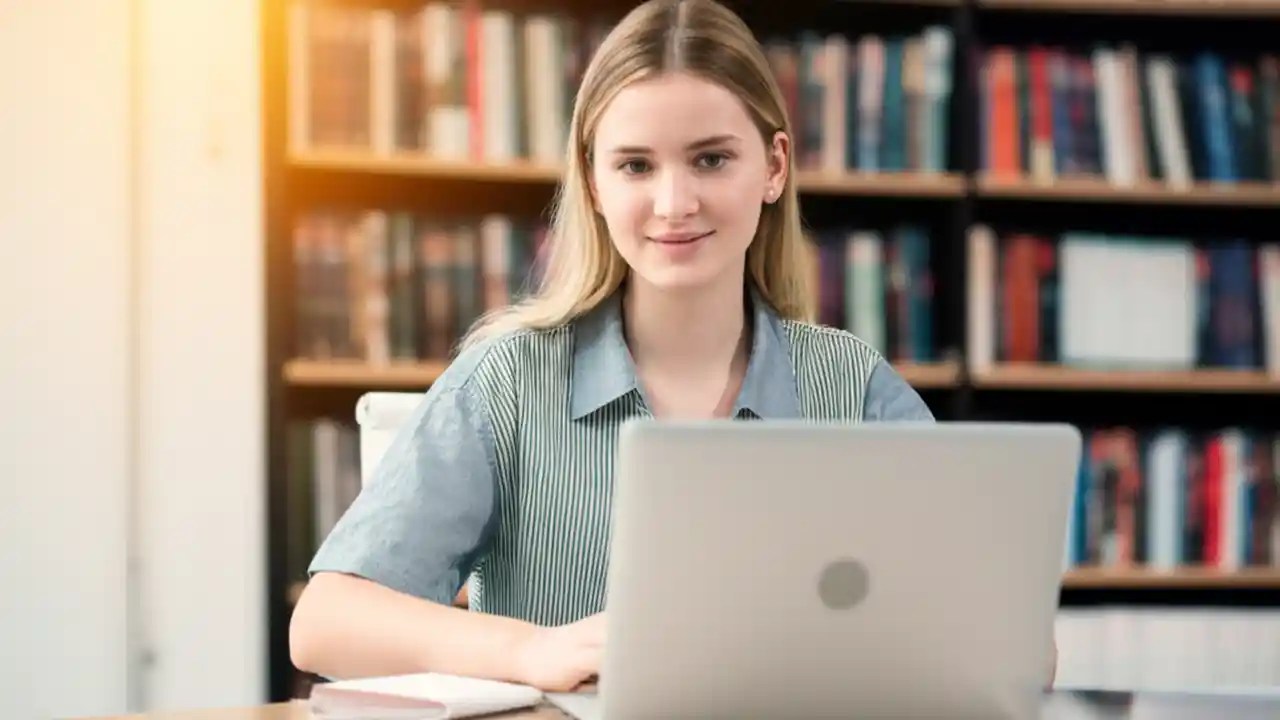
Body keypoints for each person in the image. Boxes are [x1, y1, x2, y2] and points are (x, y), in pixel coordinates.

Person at [290, 0, 1055, 695]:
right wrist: (530, 651)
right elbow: (324, 623)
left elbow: (1017, 649)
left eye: (711, 159)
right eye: (635, 165)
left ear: (774, 167)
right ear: (593, 181)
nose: (673, 203)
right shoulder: (509, 379)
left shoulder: (852, 385)